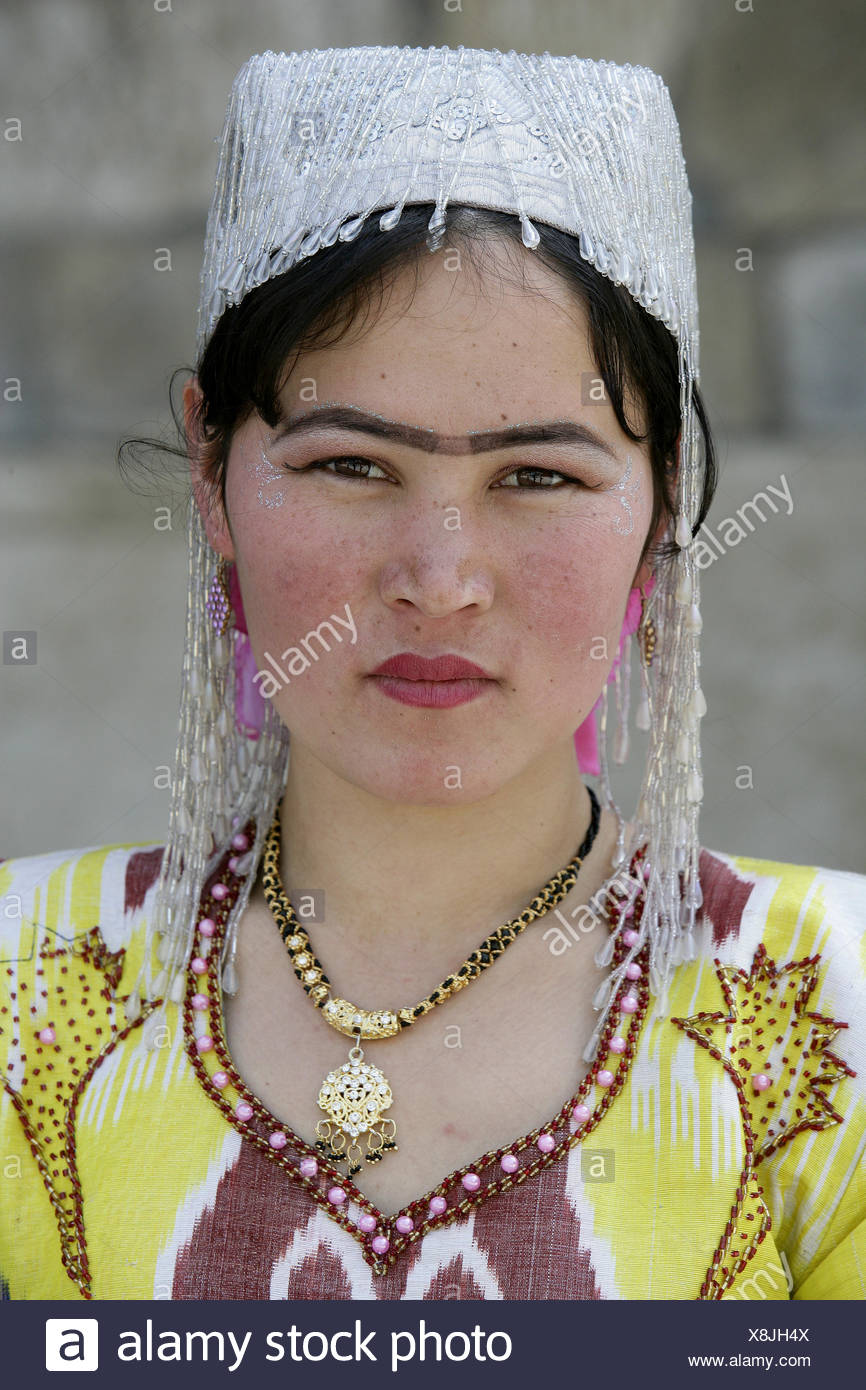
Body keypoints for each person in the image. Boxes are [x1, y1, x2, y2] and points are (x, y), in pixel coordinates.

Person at [1, 44, 864, 1303]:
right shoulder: (24, 995)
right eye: (351, 465)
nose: (441, 577)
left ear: (663, 497)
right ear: (212, 474)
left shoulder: (831, 1010)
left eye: (538, 476)